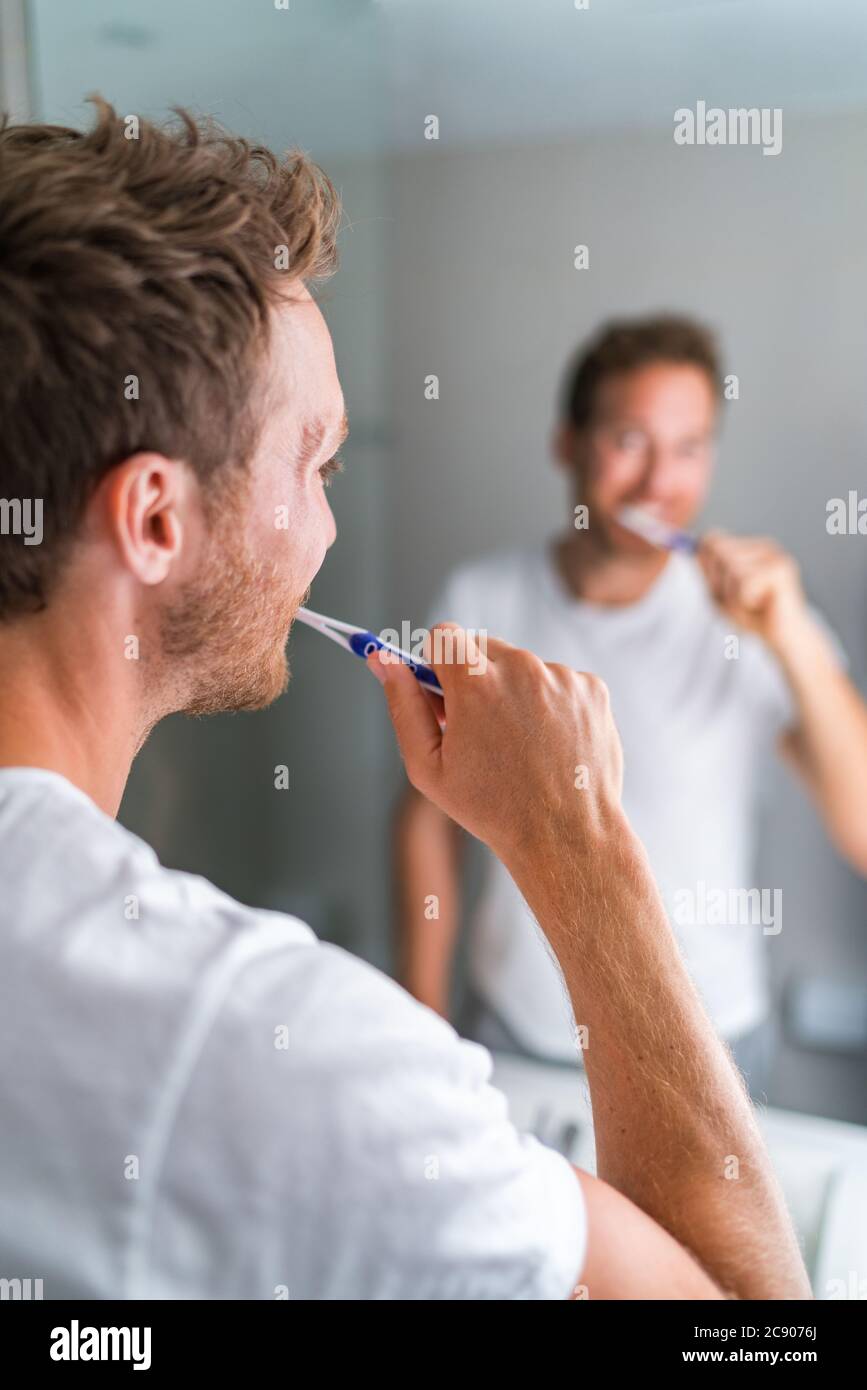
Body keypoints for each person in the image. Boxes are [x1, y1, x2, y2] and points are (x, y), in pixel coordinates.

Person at [0, 101, 810, 1300]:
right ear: (158, 517)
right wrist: (575, 841)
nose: (329, 526)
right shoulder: (262, 1043)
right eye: (316, 465)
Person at [396, 316, 867, 1096]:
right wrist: (421, 1023)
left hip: (708, 1046)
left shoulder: (755, 624)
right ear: (568, 445)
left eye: (689, 448)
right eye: (629, 440)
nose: (659, 484)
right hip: (516, 1028)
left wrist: (788, 634)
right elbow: (426, 820)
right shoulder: (479, 601)